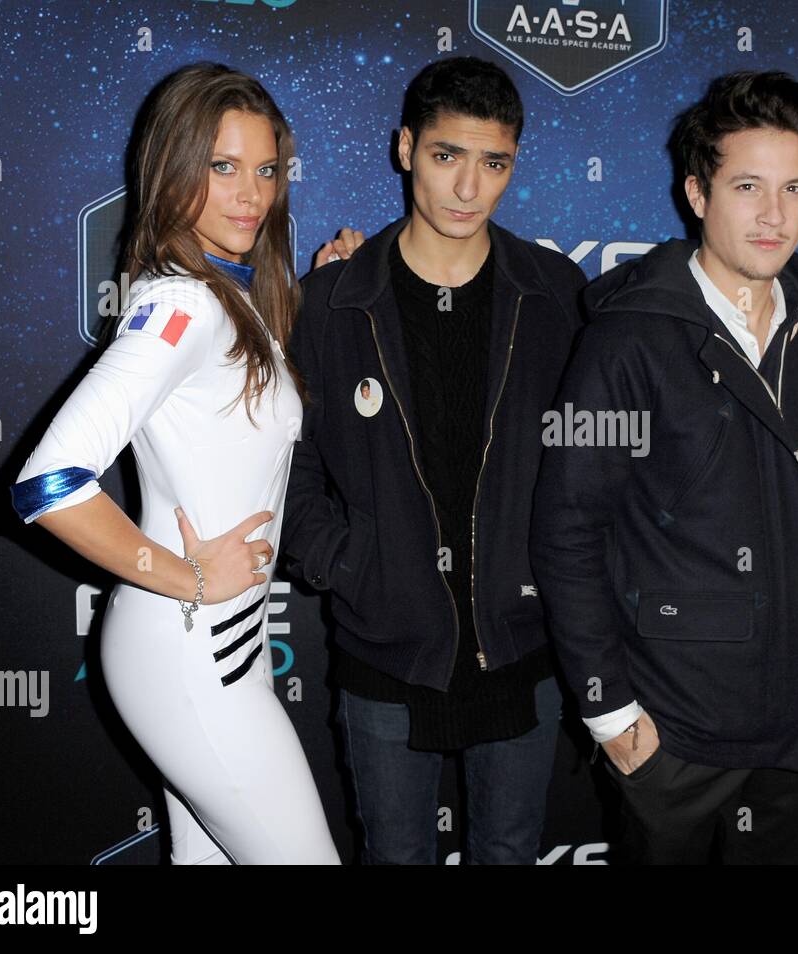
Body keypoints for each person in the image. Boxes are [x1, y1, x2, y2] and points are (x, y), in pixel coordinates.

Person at [9, 63, 340, 865]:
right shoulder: (183, 303)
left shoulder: (226, 295)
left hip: (221, 648)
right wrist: (188, 578)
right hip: (195, 649)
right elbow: (46, 485)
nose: (250, 194)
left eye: (265, 170)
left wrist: (319, 282)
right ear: (175, 169)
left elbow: (226, 410)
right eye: (221, 167)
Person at [529, 71, 798, 864]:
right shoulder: (624, 340)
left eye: (795, 188)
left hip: (794, 730)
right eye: (748, 186)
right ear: (698, 193)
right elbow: (565, 531)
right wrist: (609, 714)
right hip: (671, 732)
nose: (775, 215)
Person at [280, 57, 587, 864]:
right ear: (406, 148)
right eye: (448, 156)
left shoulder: (555, 294)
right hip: (386, 649)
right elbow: (291, 465)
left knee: (512, 851)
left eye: (494, 163)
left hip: (521, 646)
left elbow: (590, 459)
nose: (468, 189)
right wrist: (349, 564)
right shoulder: (336, 304)